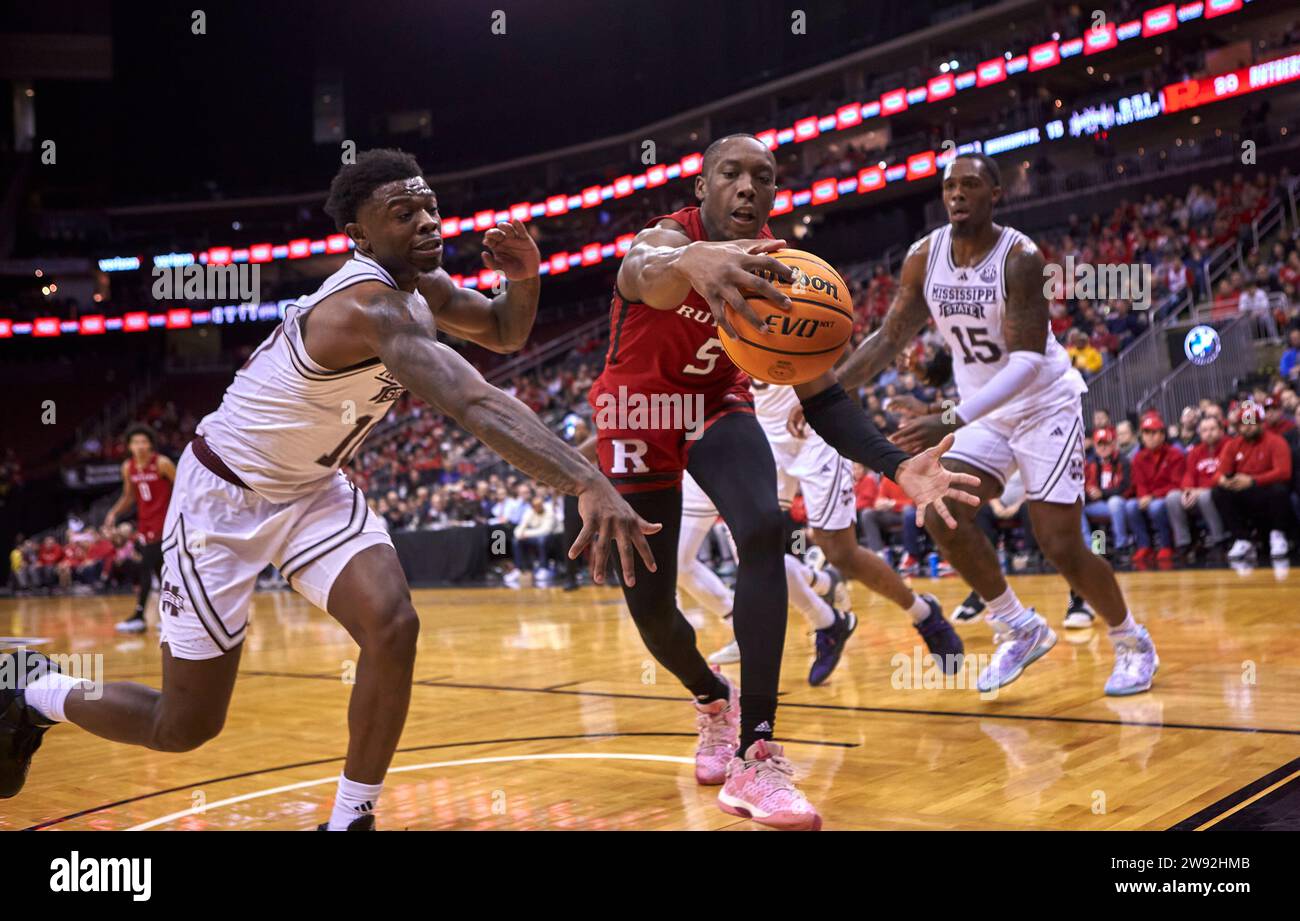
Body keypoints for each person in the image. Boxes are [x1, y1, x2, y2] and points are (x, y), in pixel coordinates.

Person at [0, 149, 657, 829]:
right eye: (404, 213)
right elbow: (475, 402)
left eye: (430, 204)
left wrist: (524, 279)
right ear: (361, 236)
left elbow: (503, 329)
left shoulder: (418, 289)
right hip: (223, 497)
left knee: (393, 623)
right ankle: (34, 691)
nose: (428, 220)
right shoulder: (368, 307)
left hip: (311, 488)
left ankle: (351, 819)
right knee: (184, 723)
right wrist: (585, 479)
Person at [591, 133, 977, 830]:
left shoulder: (779, 266)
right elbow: (642, 269)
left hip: (715, 406)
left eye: (762, 177)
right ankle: (713, 698)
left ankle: (756, 753)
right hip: (637, 411)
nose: (747, 187)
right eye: (730, 175)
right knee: (650, 608)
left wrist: (895, 462)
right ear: (702, 188)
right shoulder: (664, 238)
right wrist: (688, 258)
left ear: (773, 194)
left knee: (766, 528)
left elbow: (822, 392)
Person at [791, 152, 1158, 696]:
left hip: (1042, 405)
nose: (957, 194)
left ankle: (1131, 640)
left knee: (1058, 541)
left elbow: (1029, 360)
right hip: (982, 411)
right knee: (941, 508)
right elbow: (890, 338)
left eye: (970, 185)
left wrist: (951, 416)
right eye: (949, 187)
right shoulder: (924, 257)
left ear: (994, 194)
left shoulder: (1021, 258)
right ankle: (1018, 625)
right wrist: (831, 389)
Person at [103, 424, 176, 633]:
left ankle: (139, 615)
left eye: (144, 441)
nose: (140, 446)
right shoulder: (128, 467)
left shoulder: (162, 463)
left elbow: (182, 487)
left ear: (151, 444)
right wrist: (113, 513)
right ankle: (172, 617)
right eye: (136, 442)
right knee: (159, 572)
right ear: (129, 446)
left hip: (165, 524)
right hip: (145, 524)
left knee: (146, 568)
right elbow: (129, 496)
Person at [1214, 405, 1296, 561]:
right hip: (1244, 492)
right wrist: (1223, 480)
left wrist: (1253, 480)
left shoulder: (1276, 441)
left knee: (1279, 489)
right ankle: (1242, 539)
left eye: (1252, 423)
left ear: (1260, 424)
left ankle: (1278, 535)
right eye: (1244, 424)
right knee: (1219, 492)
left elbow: (1284, 472)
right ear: (1238, 427)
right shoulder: (1232, 445)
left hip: (1266, 490)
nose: (1248, 427)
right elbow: (1218, 473)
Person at [1124, 411, 1187, 569]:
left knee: (1155, 507)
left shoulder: (1175, 454)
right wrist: (1144, 496)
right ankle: (1144, 546)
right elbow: (1139, 482)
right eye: (1146, 433)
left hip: (1165, 497)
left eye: (1154, 432)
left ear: (1162, 435)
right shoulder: (1138, 457)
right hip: (1147, 497)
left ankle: (1166, 545)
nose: (1150, 437)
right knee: (1130, 506)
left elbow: (1176, 483)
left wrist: (1151, 496)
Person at [1166, 414, 1228, 561]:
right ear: (1200, 433)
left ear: (1221, 430)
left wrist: (1200, 490)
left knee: (1206, 496)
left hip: (1220, 491)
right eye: (1205, 430)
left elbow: (1225, 473)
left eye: (1212, 429)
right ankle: (1183, 544)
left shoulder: (1228, 446)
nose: (1209, 433)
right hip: (1196, 493)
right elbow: (1188, 474)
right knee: (1173, 497)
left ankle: (1219, 541)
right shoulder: (1195, 451)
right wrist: (1187, 490)